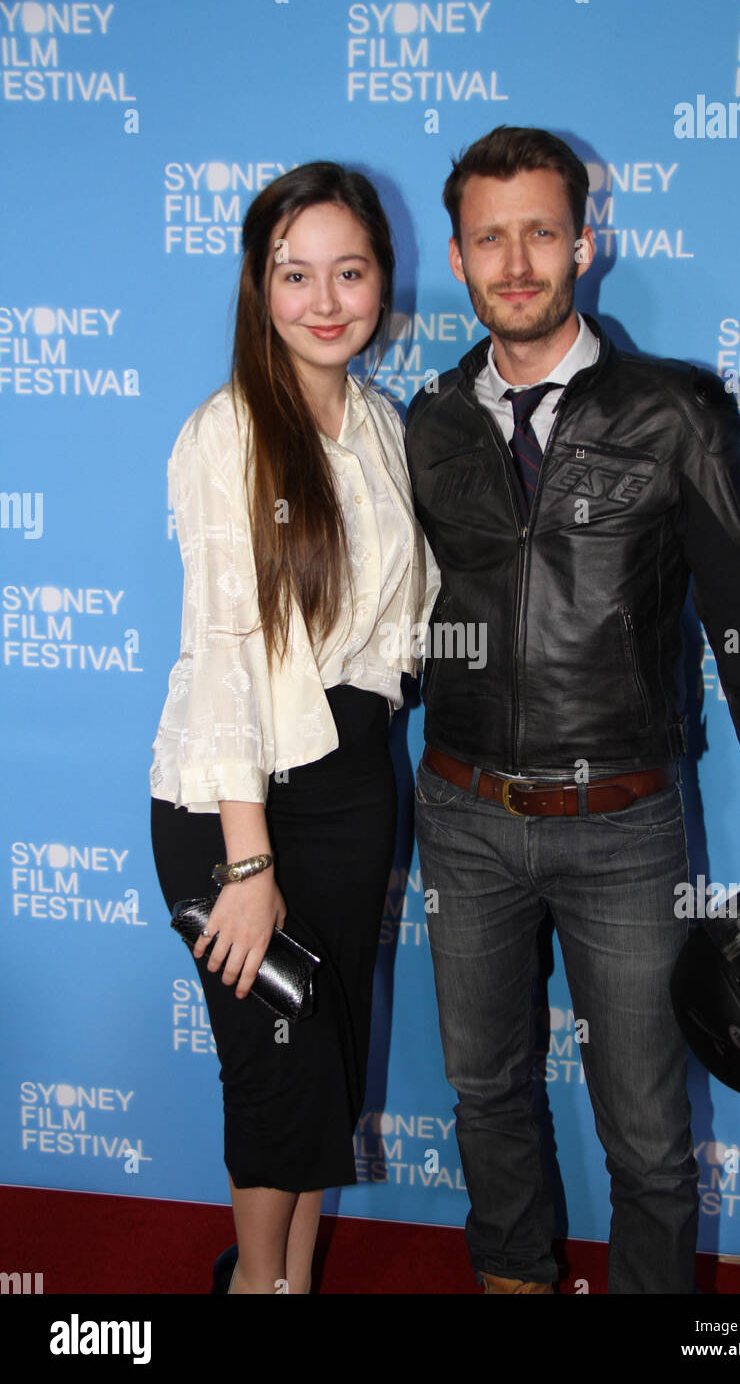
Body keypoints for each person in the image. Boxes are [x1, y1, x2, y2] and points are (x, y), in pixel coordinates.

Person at [404, 125, 740, 1294]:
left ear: (584, 245)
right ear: (456, 259)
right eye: (489, 238)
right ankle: (511, 1276)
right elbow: (388, 621)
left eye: (540, 234)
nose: (516, 262)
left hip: (622, 826)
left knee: (650, 1132)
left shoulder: (672, 412)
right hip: (458, 812)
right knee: (482, 1089)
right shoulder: (425, 425)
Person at [150, 161, 437, 1295]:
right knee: (273, 1072)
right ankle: (251, 1289)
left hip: (357, 783)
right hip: (238, 800)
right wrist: (248, 859)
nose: (326, 300)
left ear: (382, 280)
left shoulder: (383, 425)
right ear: (256, 287)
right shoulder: (225, 436)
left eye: (349, 271)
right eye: (295, 273)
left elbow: (396, 632)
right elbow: (227, 651)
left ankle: (291, 1281)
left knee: (326, 1069)